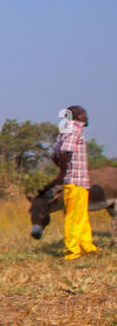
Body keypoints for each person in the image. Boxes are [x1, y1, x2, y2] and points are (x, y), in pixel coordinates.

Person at [49, 106, 98, 261]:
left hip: (78, 181)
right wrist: (64, 172)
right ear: (77, 116)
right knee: (74, 217)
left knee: (81, 216)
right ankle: (72, 252)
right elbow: (64, 152)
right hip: (75, 181)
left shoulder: (66, 130)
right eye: (85, 114)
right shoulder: (73, 128)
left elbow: (55, 155)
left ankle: (86, 247)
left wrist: (64, 170)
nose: (87, 117)